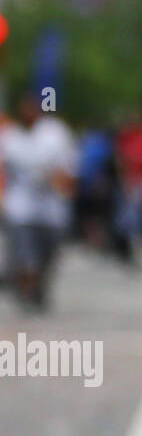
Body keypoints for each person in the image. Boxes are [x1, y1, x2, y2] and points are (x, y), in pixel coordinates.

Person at [1, 94, 77, 310]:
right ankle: (25, 290)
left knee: (48, 254)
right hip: (20, 207)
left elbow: (69, 169)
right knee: (24, 255)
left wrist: (61, 184)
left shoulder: (55, 135)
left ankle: (39, 287)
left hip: (51, 208)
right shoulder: (9, 138)